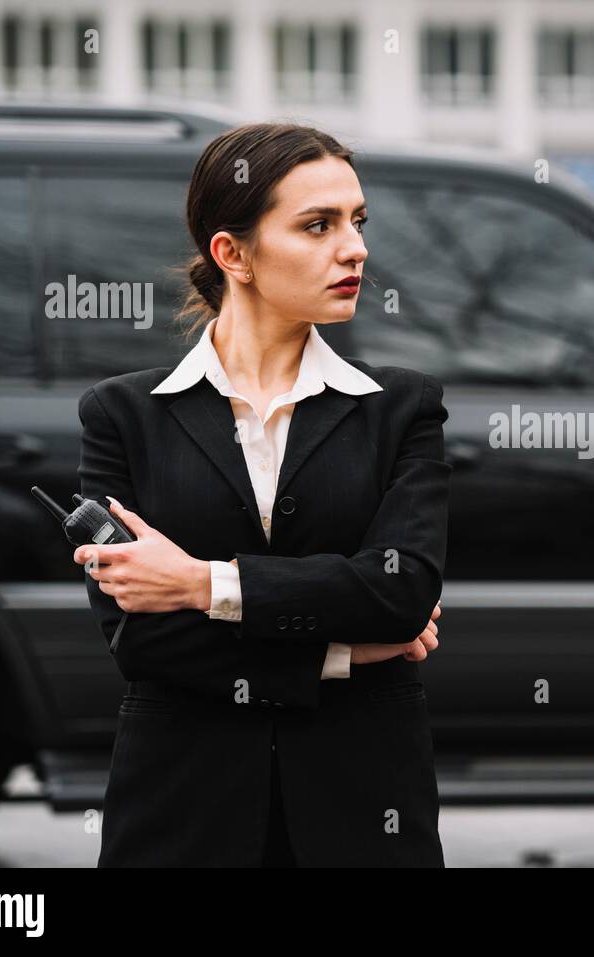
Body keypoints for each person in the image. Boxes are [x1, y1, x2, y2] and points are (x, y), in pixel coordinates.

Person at [74, 123, 450, 866]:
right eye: (319, 225)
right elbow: (141, 640)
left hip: (364, 815)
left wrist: (201, 583)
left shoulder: (401, 408)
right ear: (233, 253)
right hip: (181, 820)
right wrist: (343, 653)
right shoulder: (121, 415)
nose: (355, 249)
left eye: (357, 222)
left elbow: (402, 591)